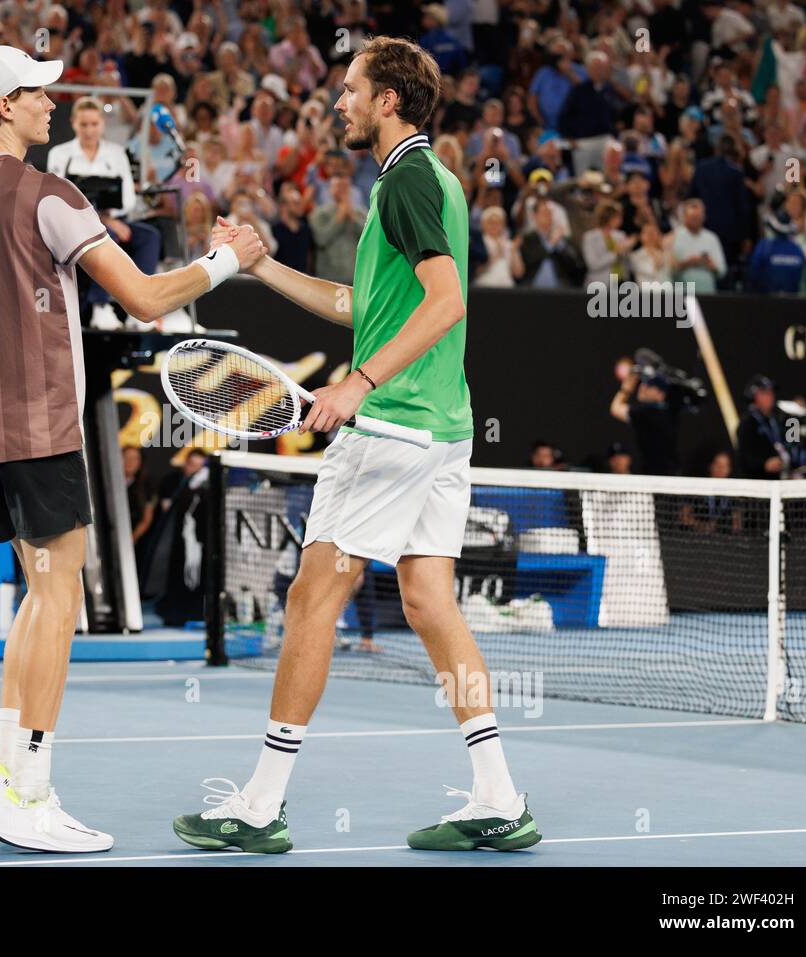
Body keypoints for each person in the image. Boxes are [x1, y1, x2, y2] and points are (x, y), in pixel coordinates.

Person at [0, 45, 263, 854]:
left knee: (43, 595)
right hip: (39, 421)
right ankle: (28, 788)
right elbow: (146, 299)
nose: (52, 102)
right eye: (38, 92)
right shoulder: (50, 194)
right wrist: (226, 262)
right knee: (58, 598)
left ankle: (8, 778)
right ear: (3, 106)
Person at [173, 37, 540, 854]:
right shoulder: (430, 180)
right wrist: (262, 266)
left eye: (348, 90)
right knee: (430, 603)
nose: (336, 102)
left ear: (388, 101)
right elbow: (362, 302)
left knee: (311, 598)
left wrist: (358, 383)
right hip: (443, 431)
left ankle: (262, 803)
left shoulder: (407, 177)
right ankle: (498, 794)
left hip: (393, 427)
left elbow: (445, 303)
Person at [46, 97, 162, 331]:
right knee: (106, 234)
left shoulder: (116, 153)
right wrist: (105, 219)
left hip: (114, 221)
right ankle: (100, 306)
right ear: (74, 124)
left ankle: (139, 306)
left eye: (94, 124)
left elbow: (128, 196)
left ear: (102, 124)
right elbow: (57, 200)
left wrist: (111, 217)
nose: (89, 130)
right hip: (75, 227)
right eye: (84, 124)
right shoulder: (59, 154)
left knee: (150, 237)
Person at [610, 368, 683, 476]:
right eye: (643, 383)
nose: (642, 387)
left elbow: (615, 408)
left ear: (660, 394)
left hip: (658, 477)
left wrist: (626, 388)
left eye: (649, 385)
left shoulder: (648, 413)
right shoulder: (670, 412)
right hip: (668, 475)